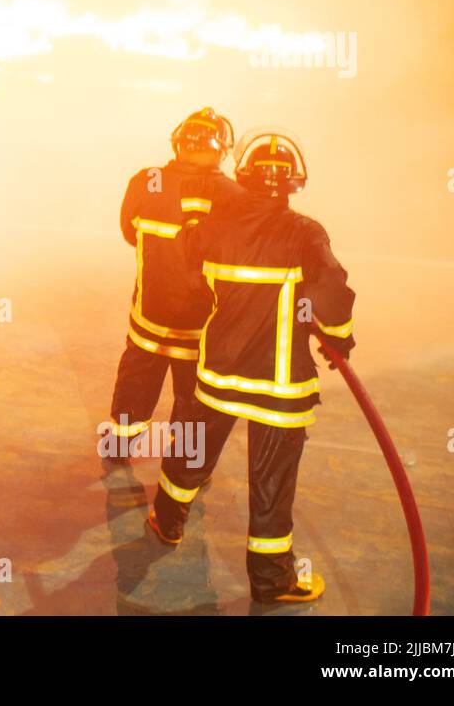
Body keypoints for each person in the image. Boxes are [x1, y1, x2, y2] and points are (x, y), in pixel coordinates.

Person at [147, 130, 356, 604]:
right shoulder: (305, 232)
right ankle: (271, 579)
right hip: (278, 385)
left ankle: (167, 519)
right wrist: (340, 337)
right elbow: (333, 292)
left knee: (193, 451)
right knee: (271, 483)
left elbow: (188, 255)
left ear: (242, 177)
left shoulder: (216, 227)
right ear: (294, 183)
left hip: (219, 372)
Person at [101, 107, 242, 463]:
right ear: (221, 148)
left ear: (179, 142)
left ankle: (119, 450)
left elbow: (129, 233)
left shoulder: (146, 181)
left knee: (136, 382)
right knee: (193, 399)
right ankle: (183, 467)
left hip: (148, 316)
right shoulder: (232, 195)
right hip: (201, 329)